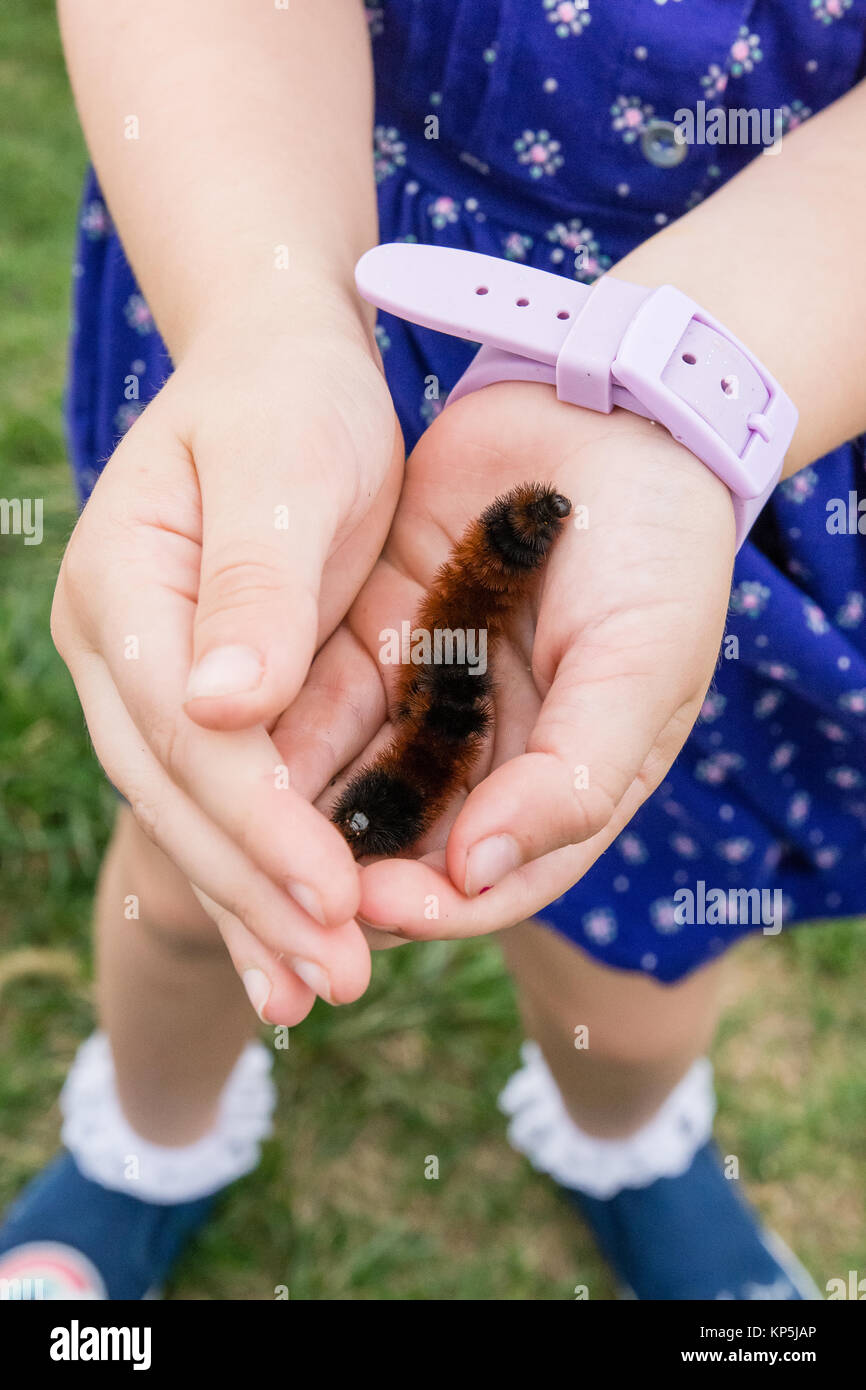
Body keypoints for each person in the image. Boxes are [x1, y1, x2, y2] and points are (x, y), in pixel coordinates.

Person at [2, 0, 864, 1300]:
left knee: (629, 959)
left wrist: (677, 393)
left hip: (763, 403)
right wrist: (267, 322)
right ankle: (148, 1142)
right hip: (312, 277)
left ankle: (624, 1138)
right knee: (199, 886)